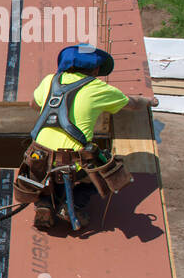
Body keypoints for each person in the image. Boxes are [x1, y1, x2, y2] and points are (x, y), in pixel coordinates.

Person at [14, 45, 156, 231]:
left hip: (37, 157)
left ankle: (44, 204)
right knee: (104, 172)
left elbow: (33, 103)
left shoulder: (50, 80)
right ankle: (71, 204)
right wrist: (150, 101)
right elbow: (132, 103)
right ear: (96, 69)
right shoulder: (97, 88)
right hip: (71, 164)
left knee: (43, 172)